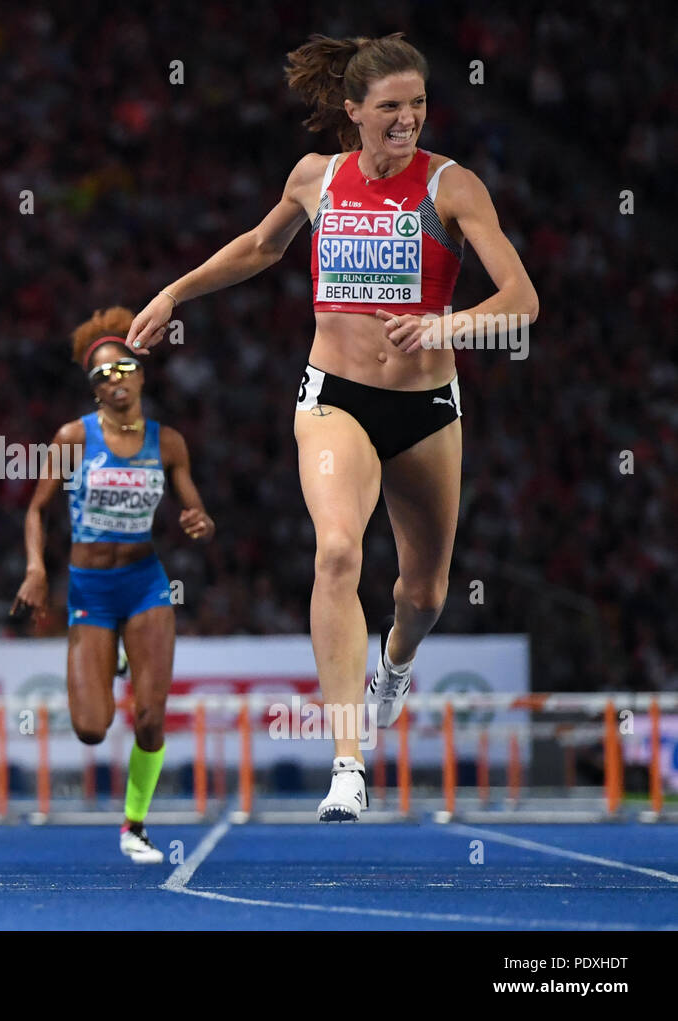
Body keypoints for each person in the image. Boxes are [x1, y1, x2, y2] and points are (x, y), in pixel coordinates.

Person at [126, 34, 537, 821]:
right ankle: (348, 762)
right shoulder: (317, 178)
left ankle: (396, 663)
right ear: (352, 113)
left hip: (425, 407)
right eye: (390, 108)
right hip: (333, 397)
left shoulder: (453, 188)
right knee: (339, 550)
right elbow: (258, 246)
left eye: (418, 105)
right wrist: (173, 294)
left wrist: (445, 327)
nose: (408, 120)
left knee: (423, 593)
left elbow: (522, 301)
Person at [12, 307, 215, 860]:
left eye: (122, 368)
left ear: (141, 372)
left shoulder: (167, 442)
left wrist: (199, 521)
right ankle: (115, 659)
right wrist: (35, 569)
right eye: (101, 375)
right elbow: (37, 510)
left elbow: (194, 507)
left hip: (145, 585)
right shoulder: (72, 438)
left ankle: (134, 825)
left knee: (150, 718)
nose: (114, 380)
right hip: (90, 591)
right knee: (92, 729)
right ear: (92, 389)